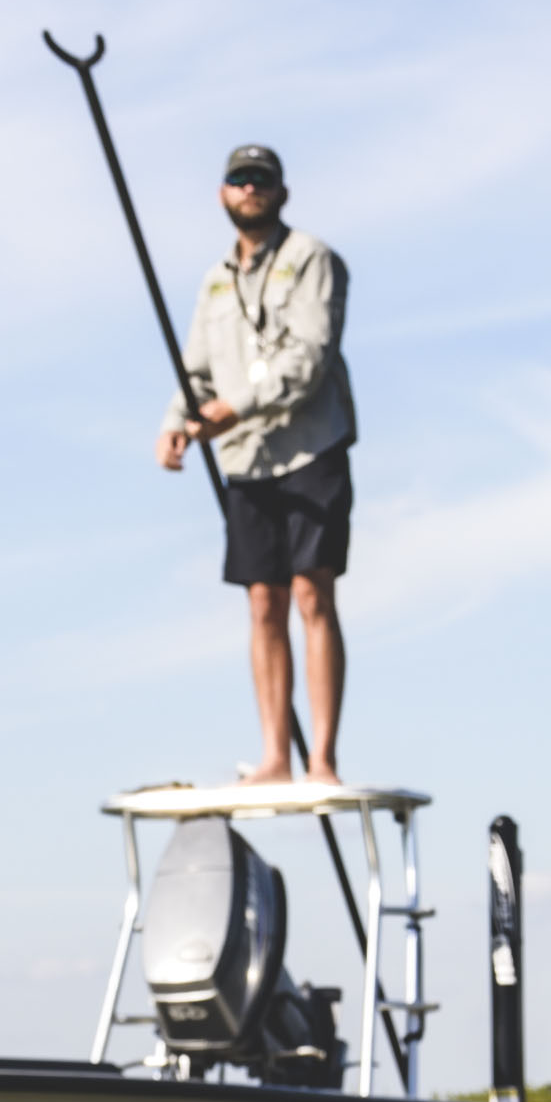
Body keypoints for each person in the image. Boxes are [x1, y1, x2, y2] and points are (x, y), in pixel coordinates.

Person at [156, 142, 354, 787]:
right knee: (262, 600)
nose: (250, 188)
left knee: (310, 591)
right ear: (222, 193)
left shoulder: (312, 260)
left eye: (261, 179)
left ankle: (319, 758)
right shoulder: (214, 279)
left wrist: (233, 409)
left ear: (282, 192)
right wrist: (175, 424)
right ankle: (274, 755)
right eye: (239, 179)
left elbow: (310, 356)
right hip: (246, 460)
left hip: (308, 445)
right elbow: (196, 371)